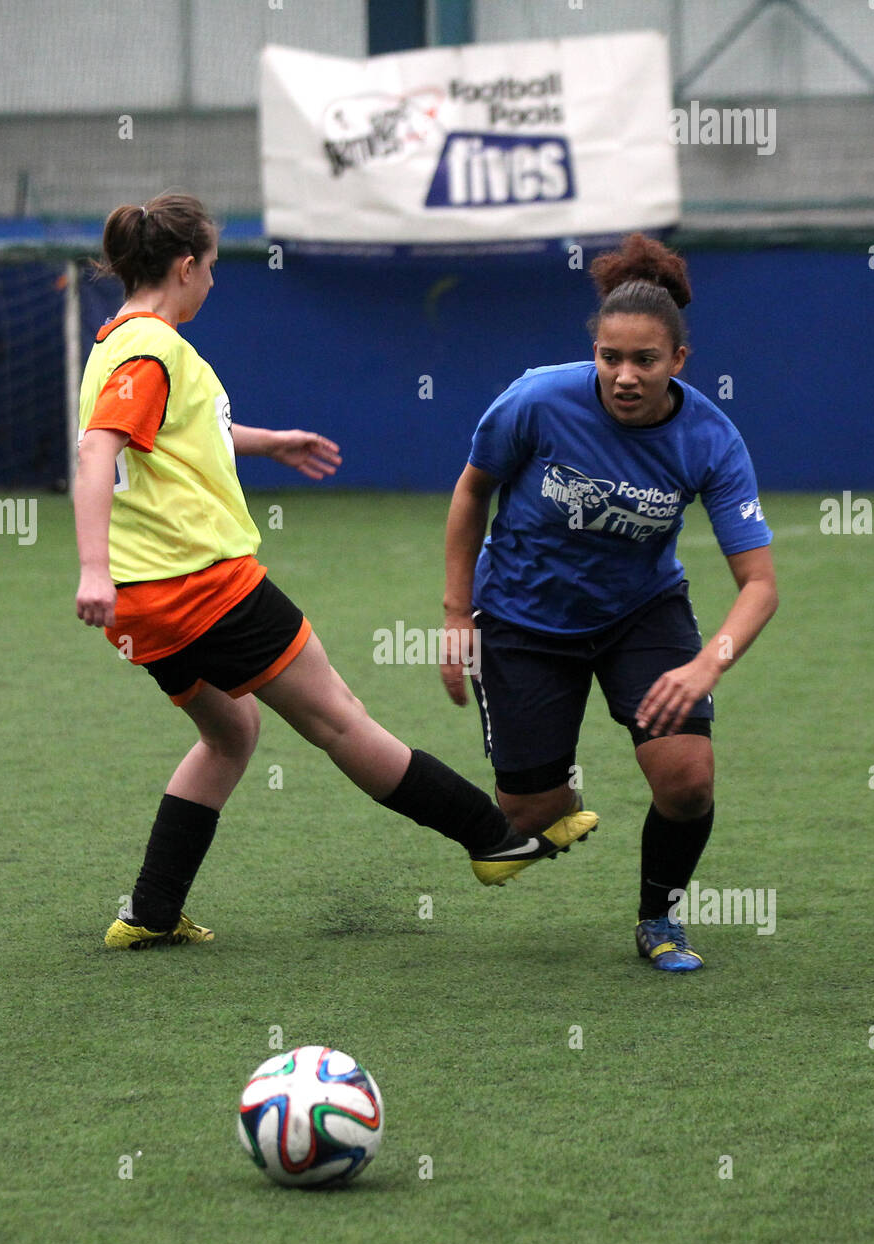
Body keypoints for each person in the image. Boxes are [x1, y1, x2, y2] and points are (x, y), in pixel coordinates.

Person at [73, 193, 597, 950]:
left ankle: (150, 910)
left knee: (229, 734)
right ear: (184, 267)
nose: (213, 283)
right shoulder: (149, 347)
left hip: (146, 609)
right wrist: (93, 568)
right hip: (199, 586)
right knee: (338, 717)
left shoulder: (119, 344)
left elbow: (179, 436)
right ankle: (492, 837)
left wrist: (265, 441)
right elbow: (98, 452)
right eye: (211, 268)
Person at [441, 233, 778, 972]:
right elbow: (472, 491)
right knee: (526, 817)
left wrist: (706, 667)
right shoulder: (535, 398)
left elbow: (759, 585)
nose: (624, 377)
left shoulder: (711, 441)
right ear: (592, 351)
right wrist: (455, 613)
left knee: (686, 782)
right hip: (522, 618)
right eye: (610, 358)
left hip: (640, 614)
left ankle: (657, 919)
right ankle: (553, 801)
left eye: (645, 361)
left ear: (678, 362)